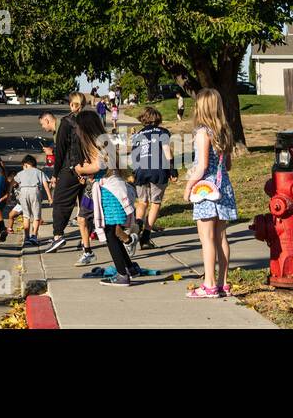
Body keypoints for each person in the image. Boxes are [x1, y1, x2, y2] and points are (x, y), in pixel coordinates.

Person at [184, 88, 238, 298]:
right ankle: (223, 283)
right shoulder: (224, 131)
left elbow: (202, 166)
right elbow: (228, 165)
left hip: (206, 190)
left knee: (206, 238)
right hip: (223, 187)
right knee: (221, 237)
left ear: (200, 107)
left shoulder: (202, 132)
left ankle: (209, 284)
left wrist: (188, 186)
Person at [73, 110, 136, 286]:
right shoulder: (105, 141)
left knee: (110, 233)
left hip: (109, 193)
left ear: (84, 127)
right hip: (113, 188)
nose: (77, 131)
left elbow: (99, 164)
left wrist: (81, 170)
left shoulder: (95, 143)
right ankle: (129, 268)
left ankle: (122, 275)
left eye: (78, 127)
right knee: (113, 231)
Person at [41, 94, 95, 263]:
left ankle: (58, 235)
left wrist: (55, 175)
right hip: (88, 167)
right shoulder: (90, 119)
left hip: (70, 168)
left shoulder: (66, 122)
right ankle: (85, 239)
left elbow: (62, 150)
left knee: (60, 203)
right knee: (84, 205)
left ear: (72, 104)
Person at [130, 106, 174, 249]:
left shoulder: (137, 135)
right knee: (155, 203)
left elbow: (134, 156)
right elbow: (167, 153)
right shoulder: (163, 132)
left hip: (140, 170)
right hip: (158, 171)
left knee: (142, 202)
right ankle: (146, 237)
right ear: (158, 119)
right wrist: (173, 170)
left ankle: (137, 225)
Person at [14, 155, 53, 246]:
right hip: (35, 191)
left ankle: (27, 238)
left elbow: (13, 182)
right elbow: (45, 185)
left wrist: (8, 196)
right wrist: (50, 197)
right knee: (36, 216)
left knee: (26, 215)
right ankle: (34, 236)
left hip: (23, 191)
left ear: (26, 164)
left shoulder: (20, 173)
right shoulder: (39, 172)